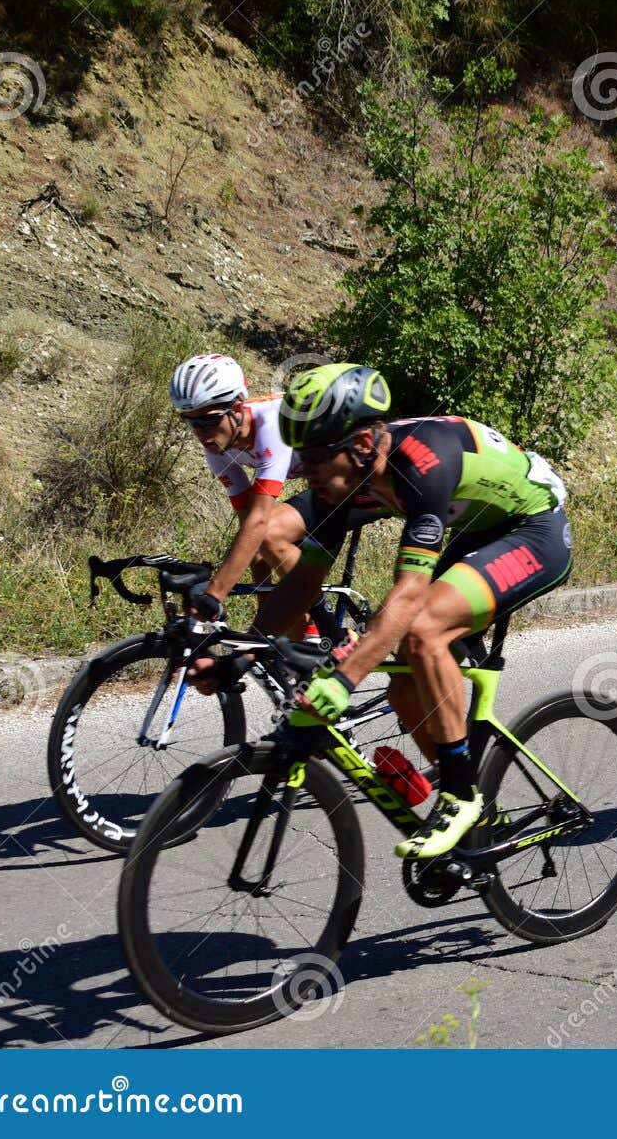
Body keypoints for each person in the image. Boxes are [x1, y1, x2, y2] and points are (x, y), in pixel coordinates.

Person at [195, 363, 572, 860]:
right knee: (403, 685)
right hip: (477, 529)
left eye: (312, 459)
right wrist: (241, 656)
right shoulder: (344, 483)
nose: (303, 473)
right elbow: (303, 582)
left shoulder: (423, 465)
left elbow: (409, 593)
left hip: (532, 528)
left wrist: (342, 679)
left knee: (421, 629)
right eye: (300, 460)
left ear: (362, 447)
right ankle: (478, 811)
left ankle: (462, 795)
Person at [171, 353, 382, 638]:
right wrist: (265, 616)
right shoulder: (217, 449)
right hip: (323, 484)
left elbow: (259, 526)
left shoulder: (271, 423)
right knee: (272, 596)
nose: (200, 433)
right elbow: (250, 534)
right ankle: (297, 645)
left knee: (269, 531)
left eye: (208, 421)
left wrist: (214, 595)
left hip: (360, 482)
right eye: (190, 423)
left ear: (236, 408)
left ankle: (325, 626)